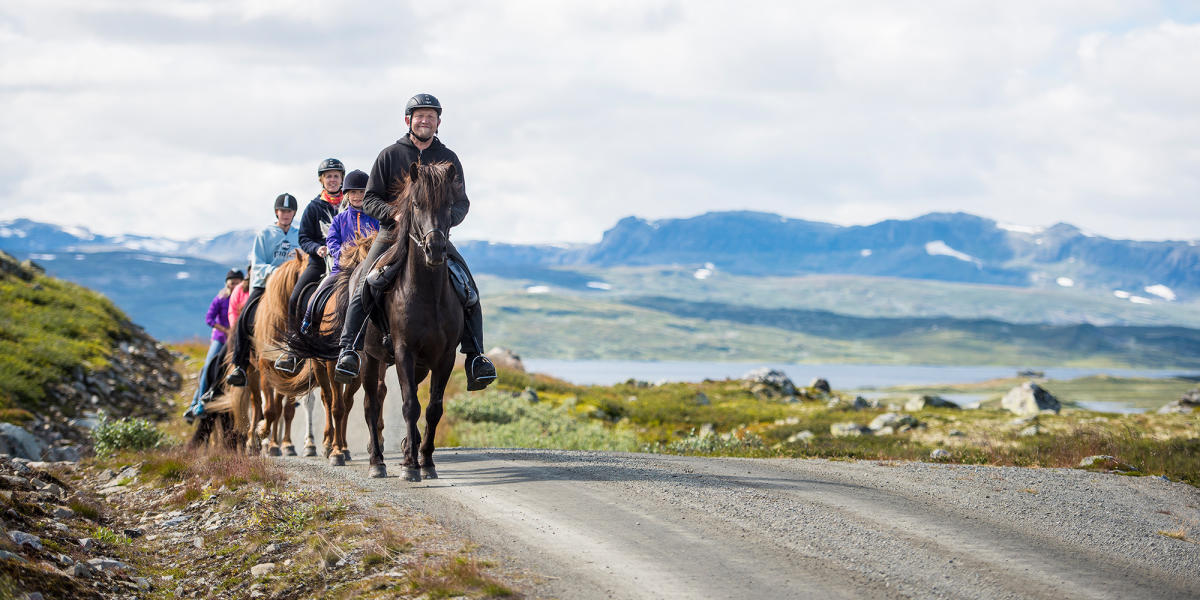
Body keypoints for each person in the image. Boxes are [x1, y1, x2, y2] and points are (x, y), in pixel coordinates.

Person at [332, 93, 496, 391]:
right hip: (391, 234)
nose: (425, 121)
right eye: (419, 116)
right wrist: (393, 215)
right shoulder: (390, 155)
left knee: (468, 287)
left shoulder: (449, 159)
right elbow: (369, 199)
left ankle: (475, 357)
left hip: (433, 235)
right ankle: (349, 350)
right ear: (408, 120)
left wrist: (443, 222)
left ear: (438, 122)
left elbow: (461, 202)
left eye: (431, 117)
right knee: (363, 283)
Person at [277, 159, 344, 373]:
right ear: (321, 180)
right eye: (328, 176)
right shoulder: (314, 207)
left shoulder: (352, 203)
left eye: (335, 175)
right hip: (320, 261)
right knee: (296, 298)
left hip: (348, 261)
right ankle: (292, 348)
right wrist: (317, 248)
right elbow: (304, 237)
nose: (332, 180)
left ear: (342, 178)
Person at [226, 193, 301, 387]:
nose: (286, 214)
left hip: (292, 286)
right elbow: (257, 264)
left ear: (294, 213)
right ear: (276, 212)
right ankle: (239, 365)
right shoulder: (264, 234)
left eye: (289, 211)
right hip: (266, 284)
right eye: (282, 211)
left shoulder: (298, 233)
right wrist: (277, 273)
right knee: (245, 317)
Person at [184, 269, 244, 423]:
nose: (234, 285)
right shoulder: (220, 299)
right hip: (221, 339)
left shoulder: (243, 297)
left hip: (237, 338)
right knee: (209, 364)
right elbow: (209, 319)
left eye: (237, 282)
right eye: (232, 282)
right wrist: (225, 330)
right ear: (227, 283)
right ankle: (198, 403)